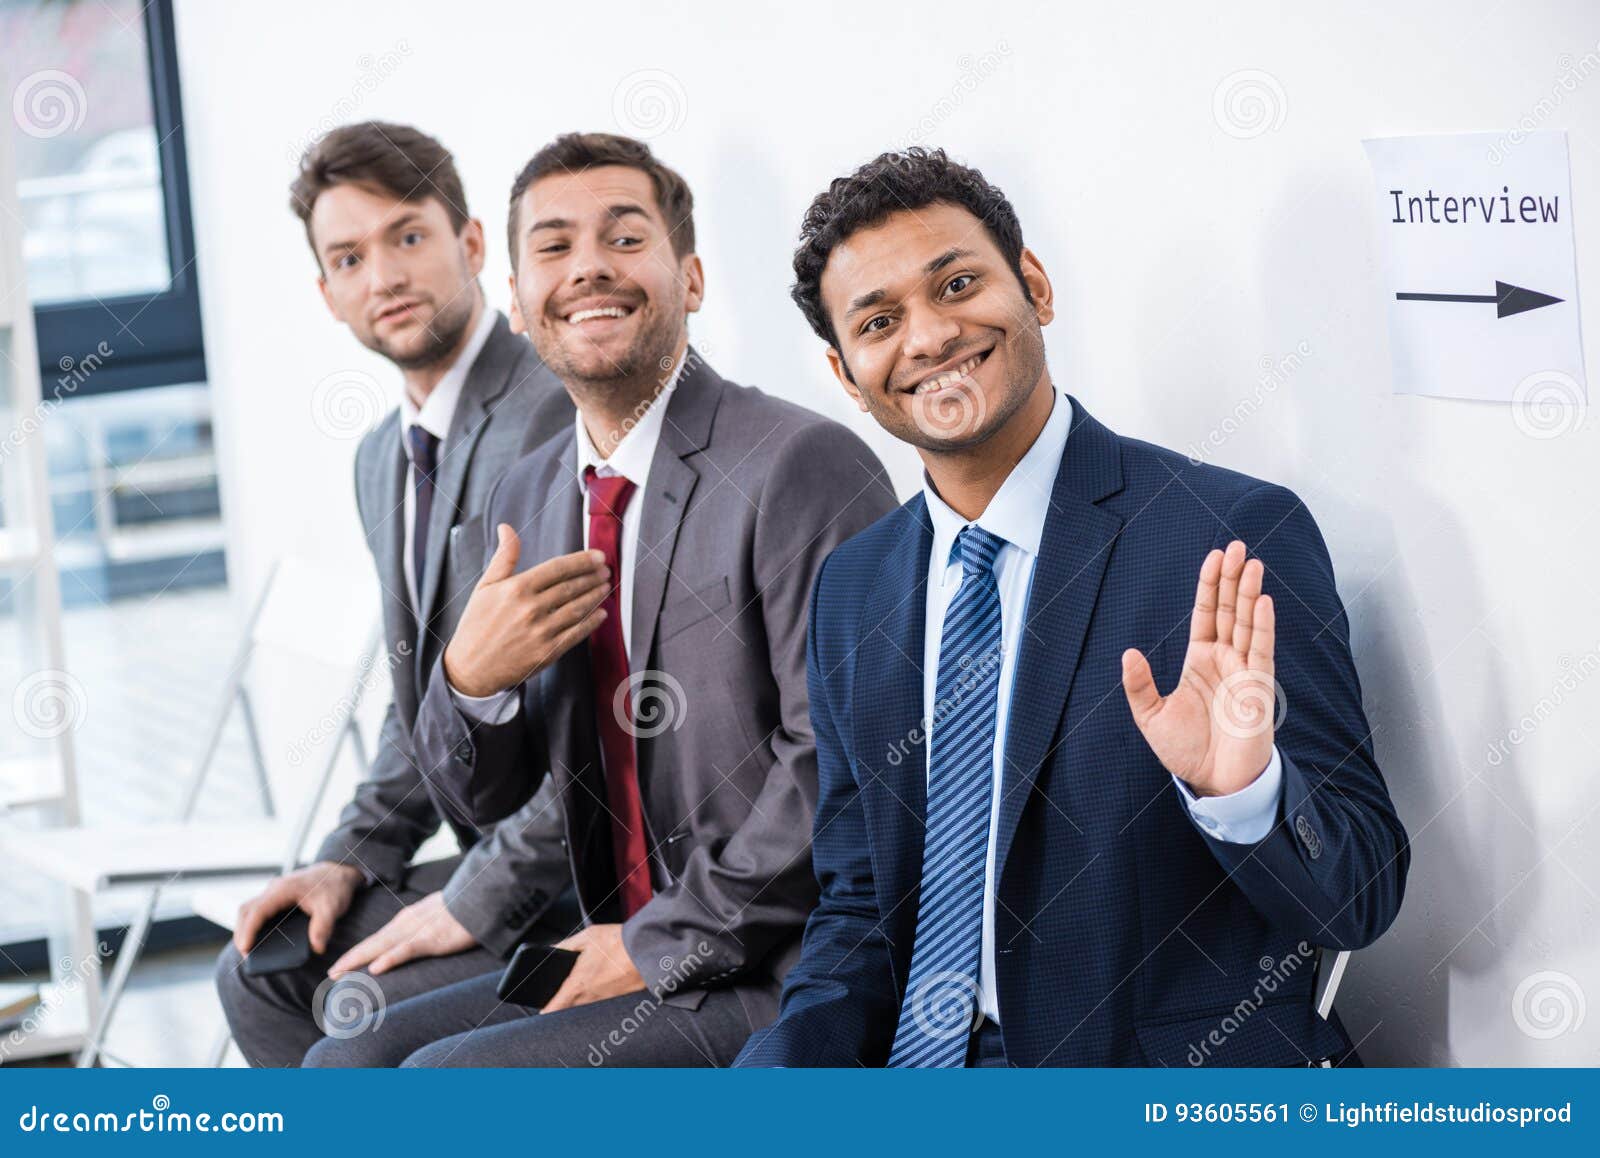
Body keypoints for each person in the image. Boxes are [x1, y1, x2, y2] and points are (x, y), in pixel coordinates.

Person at [736, 147, 1410, 1067]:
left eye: (958, 283)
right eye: (880, 320)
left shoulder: (1229, 535)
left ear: (1035, 287)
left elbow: (1360, 894)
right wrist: (781, 1068)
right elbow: (861, 902)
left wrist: (1240, 793)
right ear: (847, 374)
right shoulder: (854, 587)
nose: (929, 337)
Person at [302, 132, 898, 1067]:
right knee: (351, 1055)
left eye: (625, 239)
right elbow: (485, 791)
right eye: (552, 246)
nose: (587, 268)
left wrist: (656, 942)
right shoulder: (530, 496)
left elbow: (839, 767)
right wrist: (471, 683)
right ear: (518, 298)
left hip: (779, 966)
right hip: (607, 934)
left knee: (437, 1083)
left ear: (691, 279)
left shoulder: (798, 465)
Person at [214, 122, 578, 1066]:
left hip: (584, 874)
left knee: (355, 1030)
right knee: (260, 966)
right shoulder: (382, 458)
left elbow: (596, 727)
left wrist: (468, 902)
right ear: (328, 294)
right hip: (489, 855)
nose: (384, 275)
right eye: (350, 256)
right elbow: (422, 707)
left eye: (407, 237)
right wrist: (348, 855)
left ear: (467, 245)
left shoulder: (555, 408)